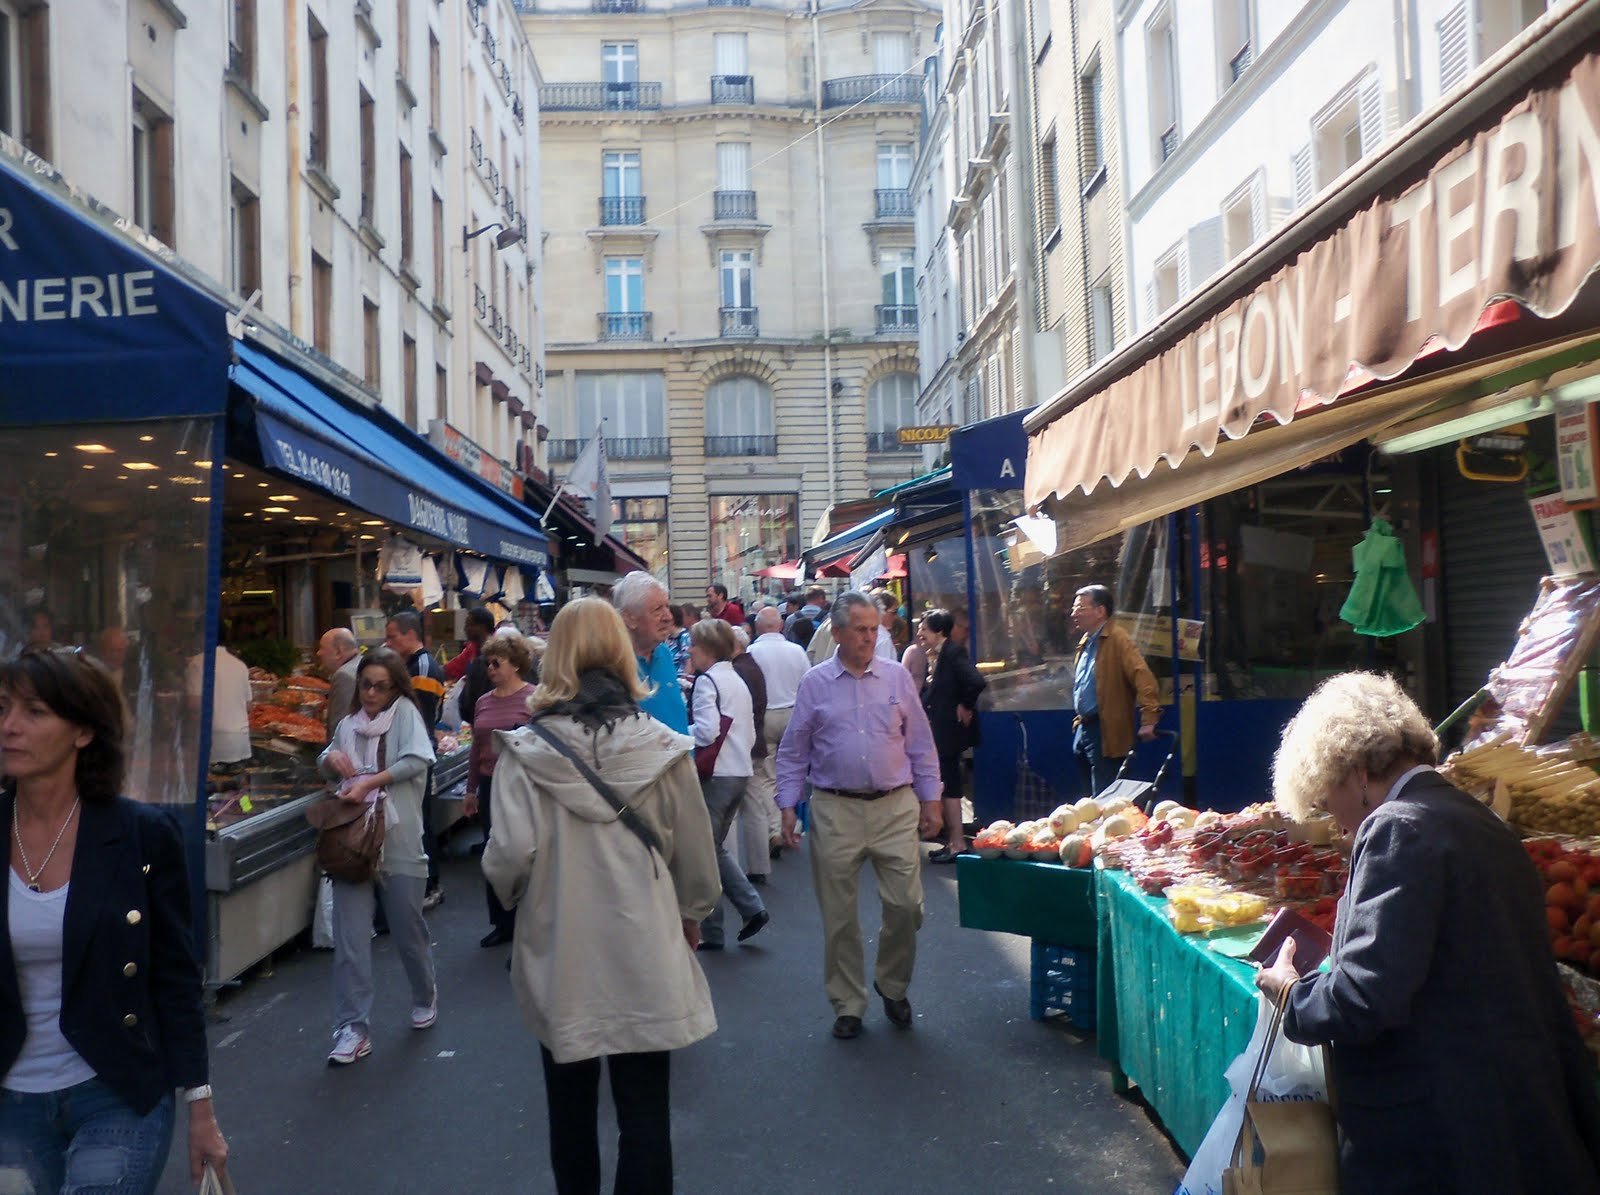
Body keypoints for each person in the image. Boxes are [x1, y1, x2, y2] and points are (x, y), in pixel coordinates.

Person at [1255, 672, 1600, 1192]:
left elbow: (1364, 998)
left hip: (1435, 1131)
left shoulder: (1395, 826)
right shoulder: (1480, 821)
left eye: (1327, 798)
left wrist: (1291, 993)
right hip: (1510, 1108)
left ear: (1358, 770)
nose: (1335, 821)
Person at [481, 598, 721, 1195]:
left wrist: (518, 900)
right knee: (644, 1113)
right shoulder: (664, 748)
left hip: (562, 947)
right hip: (644, 942)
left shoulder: (525, 752)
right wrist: (692, 914)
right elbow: (696, 856)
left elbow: (507, 858)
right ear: (620, 650)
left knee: (570, 1113)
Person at [0, 648, 229, 1191]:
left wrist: (200, 1108)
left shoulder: (140, 834)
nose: (9, 726)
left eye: (34, 712)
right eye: (3, 707)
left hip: (117, 1092)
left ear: (82, 732)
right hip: (11, 1102)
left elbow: (175, 977)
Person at [775, 592, 942, 1039]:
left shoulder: (896, 679)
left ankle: (892, 983)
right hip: (834, 808)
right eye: (862, 630)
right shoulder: (815, 683)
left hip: (894, 806)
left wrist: (931, 799)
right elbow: (794, 750)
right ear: (838, 633)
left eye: (875, 629)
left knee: (906, 906)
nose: (871, 637)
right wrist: (787, 806)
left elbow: (921, 744)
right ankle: (847, 1002)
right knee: (839, 916)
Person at [318, 649, 438, 1065]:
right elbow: (328, 757)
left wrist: (370, 781)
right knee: (351, 942)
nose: (370, 693)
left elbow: (418, 759)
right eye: (365, 684)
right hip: (351, 843)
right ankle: (353, 1027)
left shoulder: (405, 713)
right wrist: (328, 759)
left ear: (395, 687)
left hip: (399, 839)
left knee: (408, 932)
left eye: (380, 685)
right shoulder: (348, 723)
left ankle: (424, 993)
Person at [687, 619, 767, 951]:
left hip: (716, 774)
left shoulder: (707, 682)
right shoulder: (735, 678)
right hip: (738, 770)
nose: (689, 650)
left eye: (693, 645)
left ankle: (720, 924)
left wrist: (677, 733)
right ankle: (745, 911)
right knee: (713, 848)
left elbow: (706, 732)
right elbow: (746, 731)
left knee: (703, 851)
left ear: (704, 649)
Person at [464, 633, 536, 948]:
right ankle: (501, 921)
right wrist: (470, 790)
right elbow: (476, 749)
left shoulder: (534, 699)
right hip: (490, 784)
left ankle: (528, 916)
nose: (491, 668)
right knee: (495, 853)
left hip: (522, 785)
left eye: (497, 662)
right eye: (488, 663)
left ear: (516, 665)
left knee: (523, 851)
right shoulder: (483, 701)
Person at [1070, 584, 1159, 797]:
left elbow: (1143, 677)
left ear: (1100, 611)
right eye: (1074, 608)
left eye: (1081, 608)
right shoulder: (1086, 641)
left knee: (1106, 795)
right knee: (1090, 798)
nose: (1074, 614)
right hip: (1084, 728)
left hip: (1106, 729)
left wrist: (1149, 719)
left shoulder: (1118, 639)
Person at [385, 611, 446, 907]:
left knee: (420, 822)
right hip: (412, 754)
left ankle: (430, 886)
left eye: (392, 636)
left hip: (417, 757)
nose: (388, 643)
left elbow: (418, 718)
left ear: (410, 635)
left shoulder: (421, 667)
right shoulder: (410, 664)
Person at [919, 609, 986, 863]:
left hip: (949, 732)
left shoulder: (953, 652)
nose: (919, 633)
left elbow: (976, 682)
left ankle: (957, 843)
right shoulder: (938, 655)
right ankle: (953, 841)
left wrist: (966, 705)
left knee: (951, 786)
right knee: (948, 784)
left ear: (939, 631)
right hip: (942, 730)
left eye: (924, 628)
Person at [748, 607, 811, 862]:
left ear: (757, 628)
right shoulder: (796, 652)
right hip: (793, 713)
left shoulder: (751, 652)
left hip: (764, 716)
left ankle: (776, 828)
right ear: (781, 626)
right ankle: (792, 825)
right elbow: (808, 684)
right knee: (793, 771)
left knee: (765, 775)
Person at [613, 572, 689, 734]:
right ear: (629, 618)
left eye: (667, 607)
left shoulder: (664, 653)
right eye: (657, 610)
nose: (668, 617)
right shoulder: (612, 664)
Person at [727, 627, 771, 883]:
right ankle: (759, 866)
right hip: (755, 743)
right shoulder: (751, 667)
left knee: (731, 809)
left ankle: (732, 869)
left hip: (742, 745)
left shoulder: (738, 670)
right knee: (754, 807)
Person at [186, 643, 252, 766]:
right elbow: (248, 706)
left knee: (213, 781)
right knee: (233, 781)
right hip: (240, 739)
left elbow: (194, 704)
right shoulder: (239, 665)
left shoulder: (198, 662)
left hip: (214, 739)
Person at [316, 627, 361, 742]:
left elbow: (339, 728)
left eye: (322, 648)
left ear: (338, 652)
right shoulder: (359, 663)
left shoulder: (344, 675)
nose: (318, 653)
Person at [444, 606, 495, 685]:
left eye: (469, 625)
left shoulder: (499, 650)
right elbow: (452, 668)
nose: (465, 629)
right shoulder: (472, 647)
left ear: (481, 627)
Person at [94, 627, 130, 692]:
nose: (115, 656)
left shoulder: (135, 675)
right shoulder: (92, 677)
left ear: (125, 651)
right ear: (102, 651)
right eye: (111, 651)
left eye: (120, 650)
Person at [901, 618, 930, 692]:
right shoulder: (912, 651)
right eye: (920, 629)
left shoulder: (940, 652)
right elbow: (902, 677)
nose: (919, 633)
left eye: (924, 629)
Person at [870, 592, 898, 661]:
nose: (896, 617)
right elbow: (884, 669)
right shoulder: (883, 639)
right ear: (882, 611)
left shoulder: (872, 633)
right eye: (894, 612)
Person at [669, 605, 693, 677]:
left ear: (672, 620)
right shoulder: (667, 638)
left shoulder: (685, 637)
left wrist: (683, 680)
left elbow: (689, 664)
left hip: (679, 680)